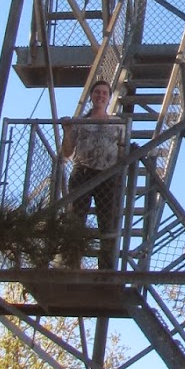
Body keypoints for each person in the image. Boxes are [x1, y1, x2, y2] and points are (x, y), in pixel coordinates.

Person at [59, 79, 125, 269]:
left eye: (104, 93)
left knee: (107, 222)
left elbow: (122, 152)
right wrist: (67, 130)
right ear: (91, 97)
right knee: (75, 219)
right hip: (83, 173)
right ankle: (71, 262)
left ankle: (106, 266)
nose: (100, 96)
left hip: (107, 176)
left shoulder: (118, 124)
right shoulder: (81, 122)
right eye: (97, 93)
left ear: (109, 98)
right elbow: (66, 152)